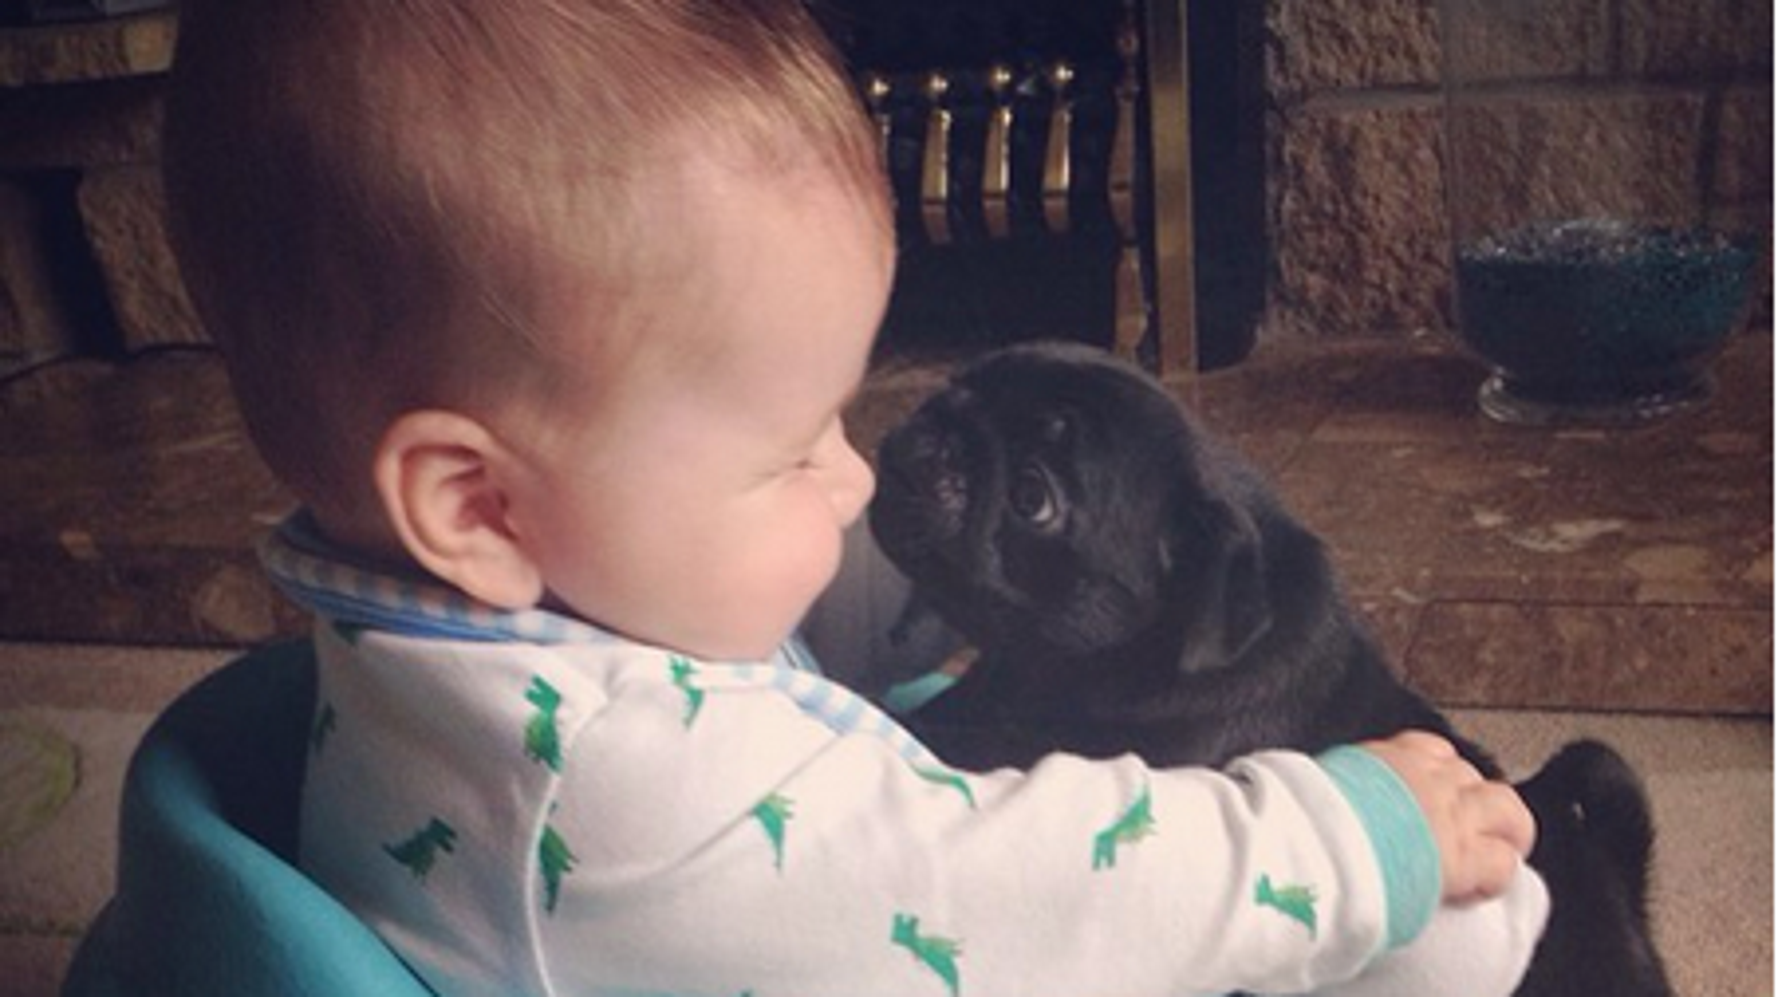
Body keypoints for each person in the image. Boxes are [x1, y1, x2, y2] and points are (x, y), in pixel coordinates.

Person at [160, 1, 1548, 995]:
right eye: (788, 452)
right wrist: (1340, 839)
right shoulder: (618, 793)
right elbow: (1014, 899)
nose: (853, 473)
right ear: (476, 508)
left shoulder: (473, 623)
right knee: (1441, 947)